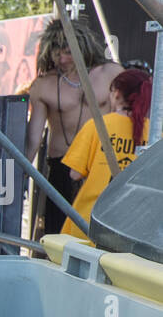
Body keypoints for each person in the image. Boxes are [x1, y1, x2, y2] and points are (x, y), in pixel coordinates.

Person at [24, 17, 123, 236]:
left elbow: (127, 119)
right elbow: (33, 138)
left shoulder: (111, 73)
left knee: (98, 234)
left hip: (101, 164)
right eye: (56, 53)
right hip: (62, 165)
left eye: (67, 51)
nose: (62, 59)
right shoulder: (43, 85)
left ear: (82, 47)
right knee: (56, 234)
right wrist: (20, 173)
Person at [60, 68, 151, 240]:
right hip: (133, 228)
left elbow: (75, 173)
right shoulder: (156, 134)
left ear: (116, 94)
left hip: (89, 223)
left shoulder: (97, 125)